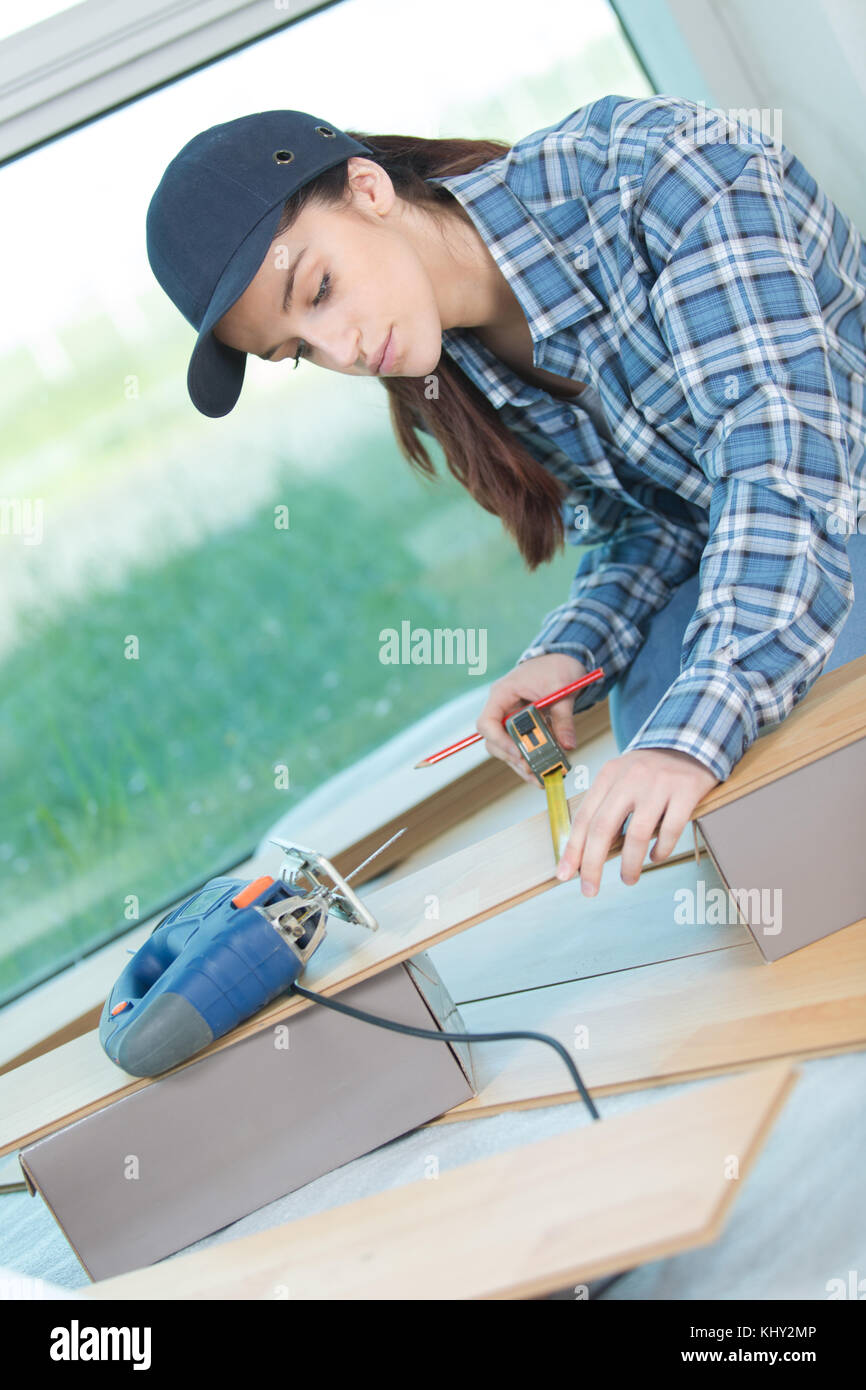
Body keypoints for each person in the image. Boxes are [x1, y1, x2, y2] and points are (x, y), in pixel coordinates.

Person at [145, 95, 866, 897]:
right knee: (651, 695)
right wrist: (569, 652)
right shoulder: (450, 361)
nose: (342, 349)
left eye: (318, 290)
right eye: (297, 352)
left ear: (368, 189)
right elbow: (656, 515)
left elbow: (786, 467)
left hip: (839, 495)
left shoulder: (662, 172)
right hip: (772, 522)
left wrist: (690, 740)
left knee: (711, 729)